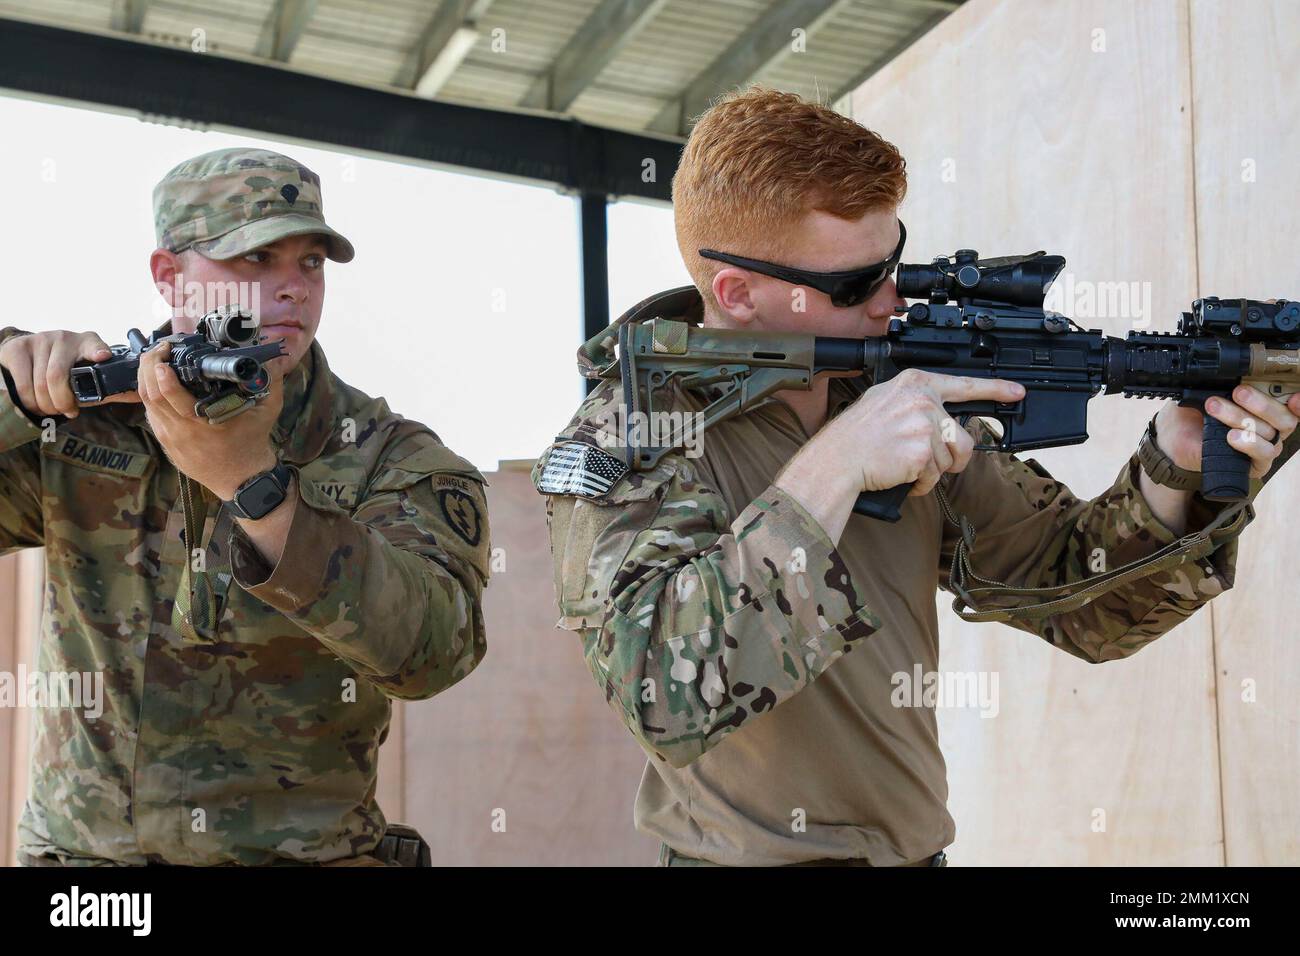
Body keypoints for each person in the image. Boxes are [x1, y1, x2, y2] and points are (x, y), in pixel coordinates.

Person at [532, 87, 1297, 867]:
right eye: (855, 286)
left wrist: (1178, 467)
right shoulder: (630, 435)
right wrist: (836, 465)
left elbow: (1076, 598)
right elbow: (664, 694)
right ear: (737, 292)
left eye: (894, 263)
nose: (892, 302)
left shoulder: (889, 389)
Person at [0, 147, 491, 865]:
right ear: (169, 277)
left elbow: (433, 651)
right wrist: (12, 396)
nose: (292, 288)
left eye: (311, 263)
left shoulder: (383, 452)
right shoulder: (89, 419)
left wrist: (255, 488)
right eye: (256, 262)